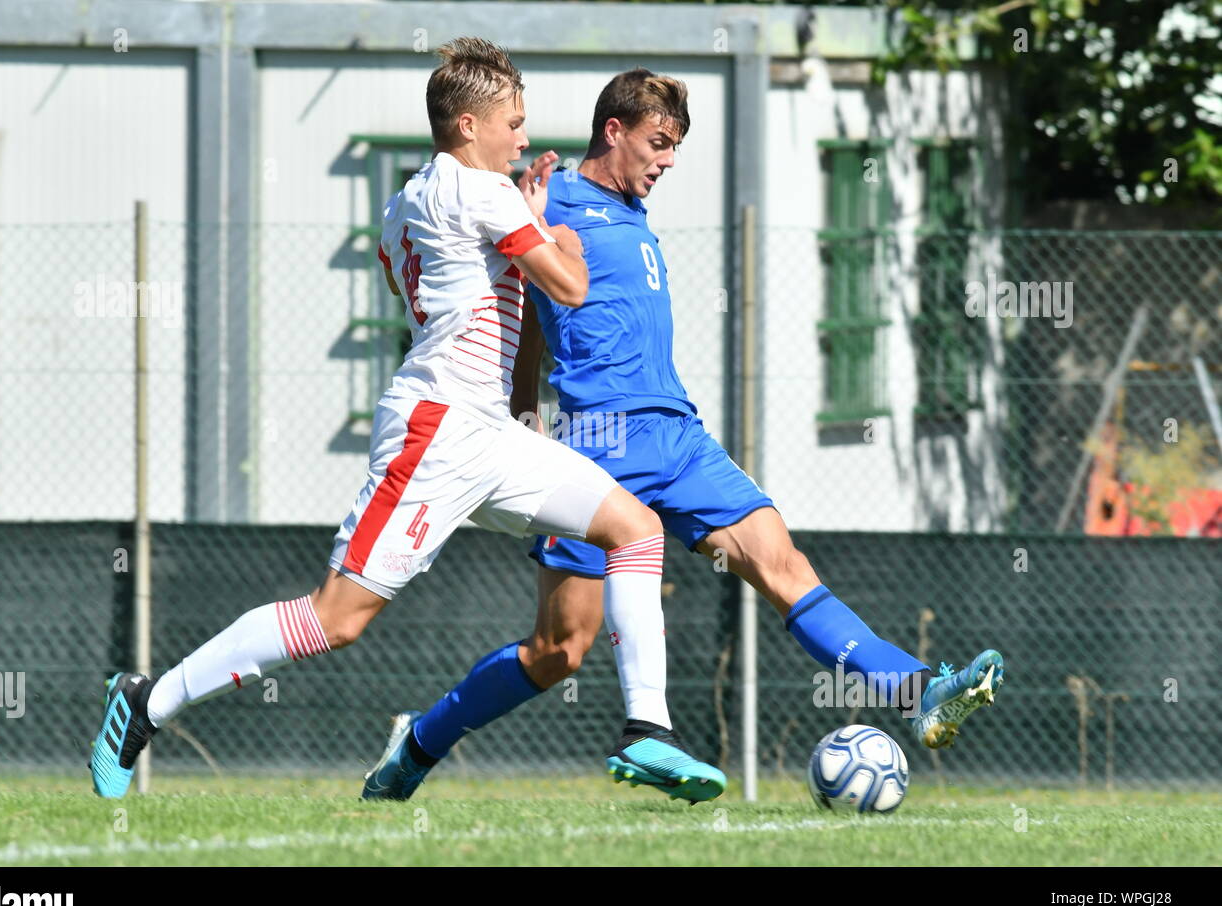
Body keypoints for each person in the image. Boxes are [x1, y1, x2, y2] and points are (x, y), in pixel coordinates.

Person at [89, 39, 722, 802]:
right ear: (466, 125)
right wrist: (550, 227)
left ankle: (647, 731)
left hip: (488, 428)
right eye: (512, 123)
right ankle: (147, 703)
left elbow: (421, 282)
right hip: (438, 433)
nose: (523, 139)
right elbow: (573, 288)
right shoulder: (486, 193)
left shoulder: (403, 201)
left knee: (635, 528)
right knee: (337, 618)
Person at [362, 68, 1005, 803]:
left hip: (678, 436)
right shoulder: (552, 198)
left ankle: (917, 692)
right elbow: (527, 308)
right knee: (557, 651)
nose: (666, 161)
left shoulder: (634, 216)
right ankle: (416, 745)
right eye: (657, 143)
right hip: (595, 445)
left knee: (782, 564)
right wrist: (517, 412)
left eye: (674, 148)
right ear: (615, 131)